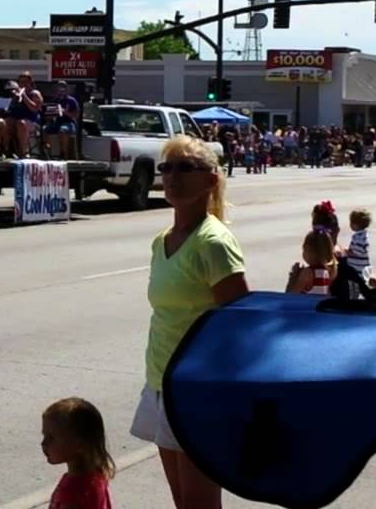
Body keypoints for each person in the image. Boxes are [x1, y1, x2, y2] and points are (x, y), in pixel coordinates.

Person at [130, 135, 248, 509]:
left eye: (185, 168)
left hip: (198, 389)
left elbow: (239, 323)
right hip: (160, 380)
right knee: (183, 503)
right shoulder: (162, 240)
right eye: (166, 167)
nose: (172, 176)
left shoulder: (213, 242)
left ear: (211, 180)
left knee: (199, 504)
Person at [42, 397, 115, 509]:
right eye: (44, 435)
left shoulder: (74, 493)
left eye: (52, 438)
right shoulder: (94, 477)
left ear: (80, 444)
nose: (43, 443)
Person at [288, 228, 337, 295]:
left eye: (304, 249)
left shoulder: (308, 273)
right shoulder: (328, 272)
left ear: (310, 252)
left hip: (308, 302)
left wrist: (294, 276)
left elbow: (293, 295)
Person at [6, 72, 43, 159]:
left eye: (25, 82)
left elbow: (35, 108)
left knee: (21, 123)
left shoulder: (35, 93)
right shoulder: (15, 93)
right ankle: (7, 150)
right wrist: (13, 98)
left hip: (31, 121)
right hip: (16, 119)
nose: (23, 84)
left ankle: (23, 152)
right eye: (21, 82)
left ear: (30, 82)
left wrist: (24, 96)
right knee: (6, 123)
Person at [44, 80, 80, 159]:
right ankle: (48, 153)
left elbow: (76, 115)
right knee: (44, 129)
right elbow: (48, 114)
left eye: (63, 88)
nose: (61, 90)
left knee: (63, 130)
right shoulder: (55, 100)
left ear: (66, 89)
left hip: (69, 122)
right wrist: (51, 114)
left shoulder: (71, 101)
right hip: (56, 121)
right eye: (59, 88)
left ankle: (63, 154)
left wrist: (65, 112)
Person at [347, 209, 373, 283]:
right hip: (361, 268)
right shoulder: (363, 235)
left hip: (358, 269)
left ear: (355, 224)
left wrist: (347, 252)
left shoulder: (359, 237)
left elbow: (357, 252)